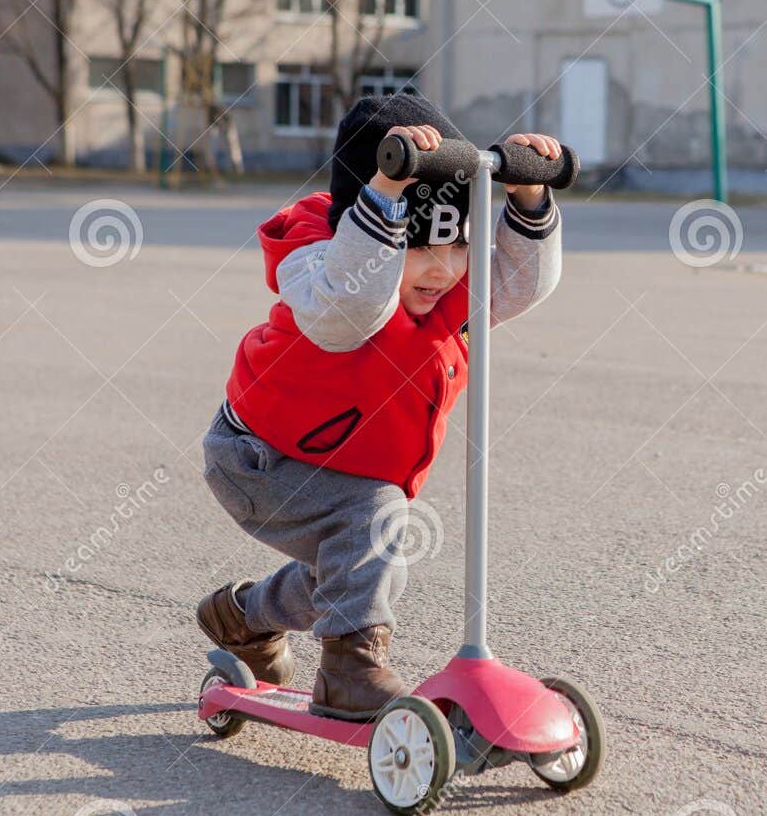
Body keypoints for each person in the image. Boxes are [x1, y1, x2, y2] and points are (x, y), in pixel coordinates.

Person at [196, 93, 564, 720]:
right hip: (260, 459)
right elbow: (351, 311)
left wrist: (527, 196)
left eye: (458, 247)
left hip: (344, 464)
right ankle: (348, 671)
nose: (442, 270)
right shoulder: (323, 268)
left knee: (359, 561)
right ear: (373, 223)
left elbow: (522, 285)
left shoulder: (452, 286)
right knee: (375, 525)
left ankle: (243, 617)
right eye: (420, 248)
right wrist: (388, 190)